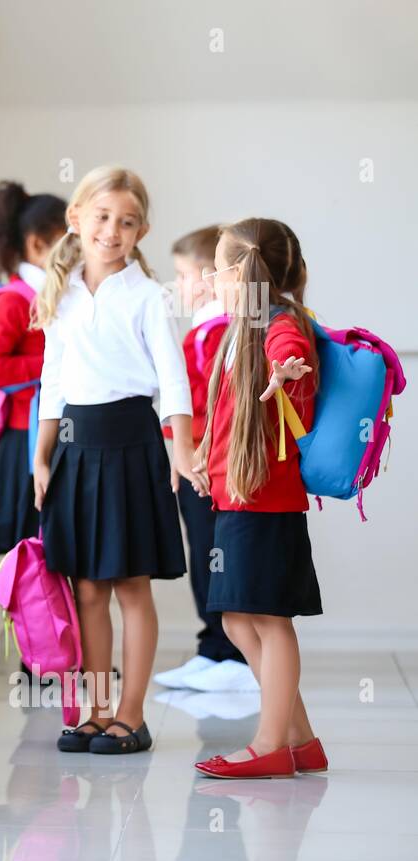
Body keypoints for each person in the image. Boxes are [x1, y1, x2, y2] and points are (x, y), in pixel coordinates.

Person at [31, 166, 198, 755]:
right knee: (88, 591)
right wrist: (42, 457)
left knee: (131, 587)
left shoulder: (150, 296)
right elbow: (52, 384)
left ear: (141, 231)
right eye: (101, 217)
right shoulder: (60, 294)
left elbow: (173, 384)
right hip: (75, 449)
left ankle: (132, 714)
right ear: (76, 218)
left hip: (133, 446)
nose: (112, 230)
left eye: (126, 222)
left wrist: (180, 451)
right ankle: (95, 711)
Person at [193, 218, 327, 779]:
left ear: (235, 272)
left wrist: (286, 368)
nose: (211, 280)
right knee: (238, 621)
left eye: (217, 270)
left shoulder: (277, 324)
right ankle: (300, 739)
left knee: (268, 621)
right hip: (241, 496)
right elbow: (227, 413)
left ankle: (272, 744)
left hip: (263, 503)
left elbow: (288, 350)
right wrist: (206, 459)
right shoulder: (238, 329)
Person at [154, 226, 258, 694]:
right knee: (205, 555)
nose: (178, 286)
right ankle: (214, 646)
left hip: (206, 467)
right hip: (197, 462)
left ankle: (230, 653)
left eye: (183, 274)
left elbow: (219, 404)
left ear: (210, 277)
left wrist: (192, 453)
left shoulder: (217, 332)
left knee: (216, 557)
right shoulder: (208, 329)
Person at [0, 180, 67, 554]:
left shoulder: (51, 294)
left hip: (47, 433)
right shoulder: (15, 300)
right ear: (39, 244)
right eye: (67, 241)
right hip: (22, 442)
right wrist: (55, 362)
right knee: (26, 557)